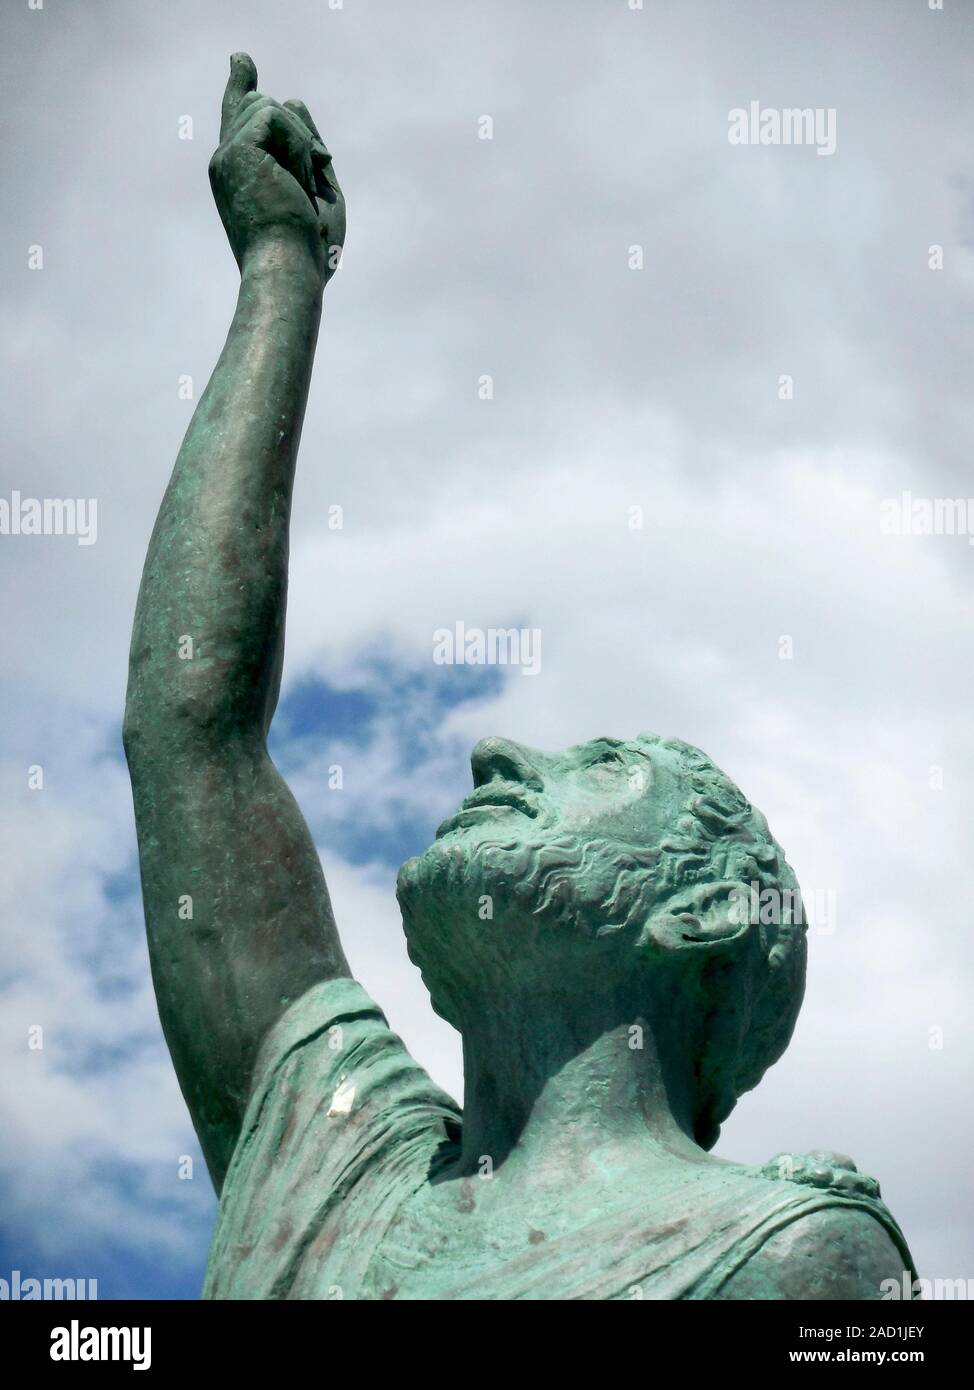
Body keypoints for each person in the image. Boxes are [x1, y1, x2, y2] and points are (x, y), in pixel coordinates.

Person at [124, 54, 916, 1300]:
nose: (496, 755)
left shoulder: (795, 1257)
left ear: (704, 913)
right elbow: (190, 733)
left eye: (600, 769)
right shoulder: (335, 1166)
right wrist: (281, 270)